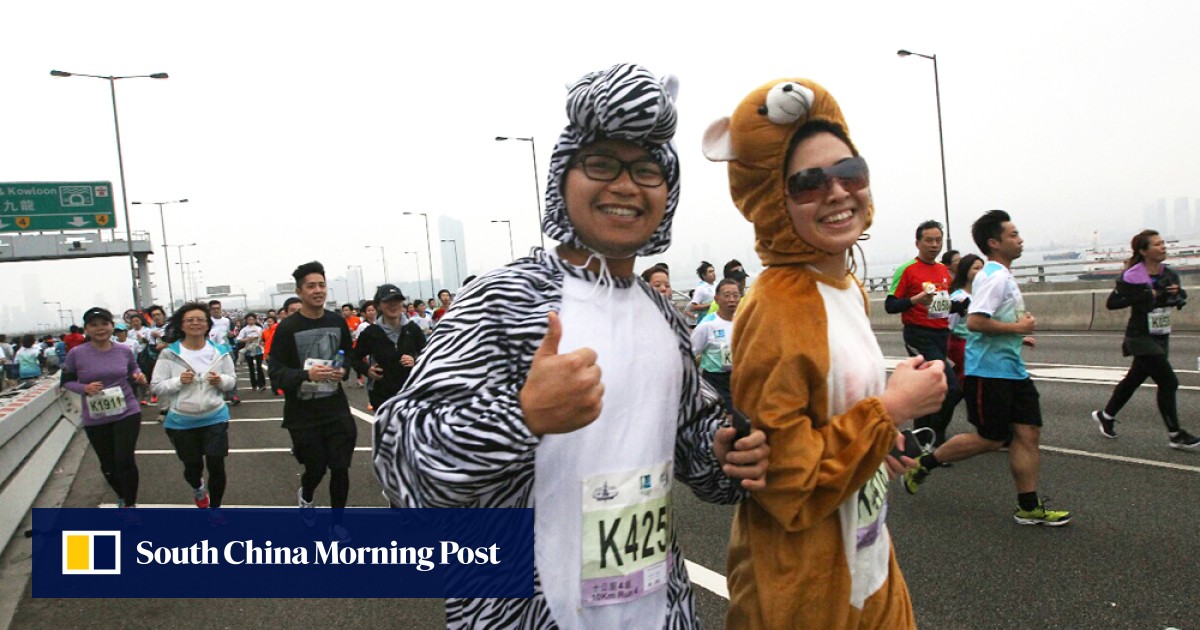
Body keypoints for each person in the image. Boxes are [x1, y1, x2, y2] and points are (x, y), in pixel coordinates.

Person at [373, 63, 769, 629]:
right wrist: (522, 416)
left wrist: (726, 452)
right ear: (564, 178)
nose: (626, 185)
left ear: (668, 191)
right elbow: (400, 463)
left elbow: (696, 446)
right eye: (601, 163)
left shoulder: (662, 314)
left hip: (660, 610)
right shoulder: (502, 299)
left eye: (646, 169)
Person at [703, 77, 946, 628]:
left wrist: (882, 440)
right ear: (772, 199)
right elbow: (786, 484)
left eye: (849, 173)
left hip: (866, 565)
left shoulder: (844, 288)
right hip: (805, 592)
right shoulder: (778, 306)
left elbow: (830, 424)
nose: (838, 193)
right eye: (809, 183)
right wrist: (891, 410)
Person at [904, 210, 1072, 527]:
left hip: (1013, 369)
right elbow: (976, 321)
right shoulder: (993, 277)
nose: (1020, 239)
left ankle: (1029, 506)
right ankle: (926, 462)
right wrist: (1018, 328)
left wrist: (1018, 334)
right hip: (988, 373)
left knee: (1028, 433)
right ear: (994, 243)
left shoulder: (1001, 275)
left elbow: (989, 319)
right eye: (1013, 235)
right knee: (991, 439)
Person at [268, 262, 355, 541]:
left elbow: (347, 353)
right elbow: (276, 373)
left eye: (321, 285)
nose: (318, 291)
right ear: (300, 291)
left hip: (336, 408)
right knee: (315, 467)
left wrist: (343, 369)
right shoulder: (286, 329)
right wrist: (306, 374)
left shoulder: (336, 321)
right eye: (311, 286)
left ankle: (337, 522)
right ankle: (306, 494)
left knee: (340, 467)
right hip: (303, 413)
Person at [1091, 229, 1198, 449]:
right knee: (1169, 382)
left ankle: (1106, 415)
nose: (1163, 247)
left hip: (1160, 335)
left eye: (1163, 243)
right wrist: (1144, 295)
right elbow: (1113, 303)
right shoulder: (1133, 275)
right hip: (1139, 336)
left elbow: (1180, 299)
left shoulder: (1169, 273)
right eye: (1157, 244)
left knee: (1133, 379)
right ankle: (1176, 434)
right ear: (1144, 251)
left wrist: (1176, 296)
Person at [151, 303, 236, 518]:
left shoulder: (221, 352)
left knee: (217, 466)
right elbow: (156, 387)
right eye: (190, 320)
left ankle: (215, 509)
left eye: (200, 319)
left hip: (215, 415)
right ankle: (198, 488)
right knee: (192, 467)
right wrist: (178, 381)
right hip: (181, 420)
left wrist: (220, 380)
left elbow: (231, 381)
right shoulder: (170, 355)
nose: (196, 323)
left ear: (208, 324)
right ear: (182, 325)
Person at [60, 308, 147, 510]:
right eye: (94, 325)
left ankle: (130, 505)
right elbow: (66, 382)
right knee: (108, 465)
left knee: (125, 459)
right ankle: (122, 496)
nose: (100, 329)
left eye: (104, 323)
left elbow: (133, 368)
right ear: (86, 329)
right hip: (96, 416)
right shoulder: (76, 354)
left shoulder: (123, 350)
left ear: (112, 326)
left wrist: (138, 375)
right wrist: (85, 388)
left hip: (127, 411)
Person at [885, 219, 960, 446]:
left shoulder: (942, 271)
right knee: (952, 387)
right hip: (918, 335)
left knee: (927, 387)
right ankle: (937, 442)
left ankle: (920, 439)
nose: (934, 245)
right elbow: (890, 305)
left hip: (941, 335)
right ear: (918, 243)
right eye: (929, 240)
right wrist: (915, 300)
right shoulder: (907, 270)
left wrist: (960, 306)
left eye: (938, 240)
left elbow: (941, 306)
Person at [352, 284, 426, 411]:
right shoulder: (371, 333)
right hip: (383, 397)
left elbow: (429, 356)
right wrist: (367, 370)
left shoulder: (412, 329)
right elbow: (353, 357)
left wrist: (415, 361)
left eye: (397, 300)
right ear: (378, 306)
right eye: (387, 301)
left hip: (412, 394)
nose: (393, 305)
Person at [690, 278, 740, 413]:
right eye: (727, 295)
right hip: (716, 380)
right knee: (729, 421)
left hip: (740, 379)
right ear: (716, 298)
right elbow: (689, 354)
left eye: (736, 295)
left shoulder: (744, 320)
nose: (732, 299)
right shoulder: (707, 325)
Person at [946, 254, 984, 386]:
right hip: (962, 347)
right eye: (976, 268)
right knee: (963, 384)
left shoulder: (982, 295)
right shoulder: (959, 298)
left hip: (979, 345)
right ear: (965, 271)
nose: (980, 272)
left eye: (982, 268)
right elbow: (948, 326)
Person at [237, 313, 266, 391]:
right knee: (251, 368)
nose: (251, 321)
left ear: (255, 320)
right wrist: (246, 339)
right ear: (246, 320)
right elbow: (239, 339)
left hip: (258, 348)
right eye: (249, 319)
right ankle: (254, 384)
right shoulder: (244, 329)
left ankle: (262, 384)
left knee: (259, 367)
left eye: (252, 319)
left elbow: (263, 337)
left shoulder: (259, 328)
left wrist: (258, 339)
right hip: (248, 349)